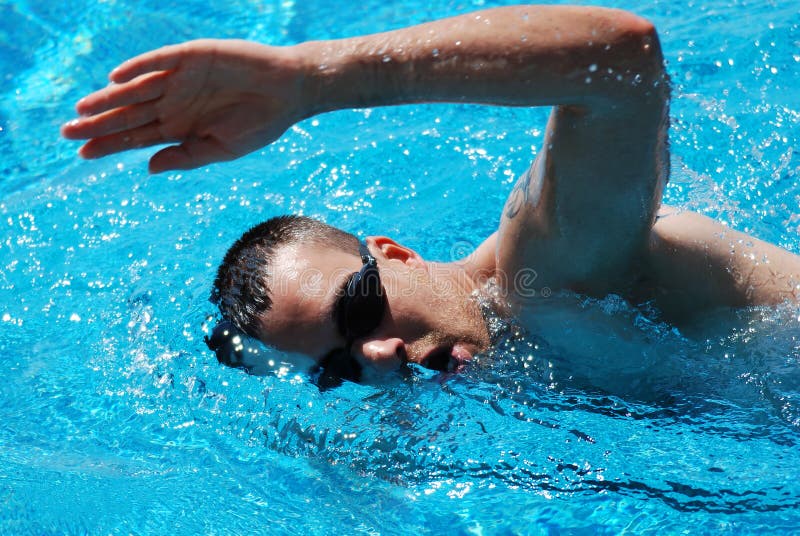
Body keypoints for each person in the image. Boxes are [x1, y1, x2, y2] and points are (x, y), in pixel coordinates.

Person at [62, 5, 800, 385]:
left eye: (357, 308)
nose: (381, 357)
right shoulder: (496, 369)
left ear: (394, 253)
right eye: (339, 369)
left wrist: (315, 80)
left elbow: (618, 59)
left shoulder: (551, 272)